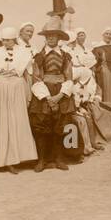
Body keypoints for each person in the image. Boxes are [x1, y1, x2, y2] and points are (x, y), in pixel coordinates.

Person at [0, 25, 37, 173]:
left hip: (17, 87)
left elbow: (28, 74)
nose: (6, 43)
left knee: (18, 120)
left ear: (14, 39)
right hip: (1, 88)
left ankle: (21, 158)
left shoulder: (24, 52)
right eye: (3, 40)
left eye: (9, 40)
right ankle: (3, 160)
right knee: (3, 121)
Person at [28, 22, 78, 171]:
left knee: (61, 126)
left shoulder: (66, 56)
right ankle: (42, 160)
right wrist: (47, 98)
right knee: (41, 127)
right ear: (45, 38)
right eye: (48, 35)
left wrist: (59, 96)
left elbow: (69, 77)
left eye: (54, 35)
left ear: (58, 38)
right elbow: (36, 78)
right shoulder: (39, 56)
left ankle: (59, 159)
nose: (51, 38)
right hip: (43, 94)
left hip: (61, 92)